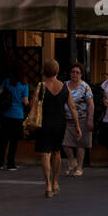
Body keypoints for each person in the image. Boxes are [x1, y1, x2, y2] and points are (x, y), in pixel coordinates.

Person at [33, 59, 81, 198]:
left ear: (44, 71)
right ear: (57, 71)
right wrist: (77, 126)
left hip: (44, 123)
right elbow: (72, 107)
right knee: (56, 152)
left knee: (45, 153)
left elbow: (33, 105)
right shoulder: (64, 87)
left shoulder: (41, 86)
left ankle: (47, 184)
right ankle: (55, 182)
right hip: (60, 123)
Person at [0, 61, 30, 170]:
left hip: (5, 114)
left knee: (3, 140)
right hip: (18, 115)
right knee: (14, 141)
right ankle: (10, 163)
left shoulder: (7, 81)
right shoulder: (24, 85)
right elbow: (25, 101)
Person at [63, 63, 94, 176]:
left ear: (81, 74)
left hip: (82, 118)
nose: (74, 74)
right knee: (65, 142)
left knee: (80, 144)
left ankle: (79, 168)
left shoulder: (85, 87)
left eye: (77, 72)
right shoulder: (65, 85)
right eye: (73, 72)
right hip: (67, 119)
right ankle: (72, 161)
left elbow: (91, 104)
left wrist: (90, 119)